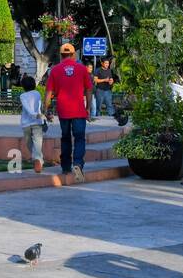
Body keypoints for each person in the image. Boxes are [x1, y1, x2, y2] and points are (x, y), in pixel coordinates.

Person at [44, 42, 94, 183]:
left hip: (63, 111)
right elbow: (89, 90)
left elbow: (48, 92)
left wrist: (46, 109)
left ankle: (66, 166)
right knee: (79, 138)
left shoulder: (55, 70)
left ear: (61, 55)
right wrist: (88, 108)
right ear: (73, 55)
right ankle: (77, 163)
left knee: (65, 138)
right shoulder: (82, 69)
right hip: (79, 111)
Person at [19, 75, 45, 173]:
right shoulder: (35, 93)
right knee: (35, 144)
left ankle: (37, 160)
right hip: (33, 121)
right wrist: (36, 114)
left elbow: (30, 107)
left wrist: (36, 114)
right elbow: (33, 107)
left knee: (31, 143)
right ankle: (39, 159)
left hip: (30, 123)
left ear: (23, 86)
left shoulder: (26, 95)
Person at [92, 57, 117, 121]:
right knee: (99, 106)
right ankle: (97, 118)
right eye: (106, 63)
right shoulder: (98, 70)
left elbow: (111, 78)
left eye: (108, 63)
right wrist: (104, 80)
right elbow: (95, 80)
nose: (107, 64)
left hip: (108, 90)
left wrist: (111, 81)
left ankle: (112, 118)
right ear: (102, 63)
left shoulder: (109, 70)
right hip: (100, 90)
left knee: (109, 105)